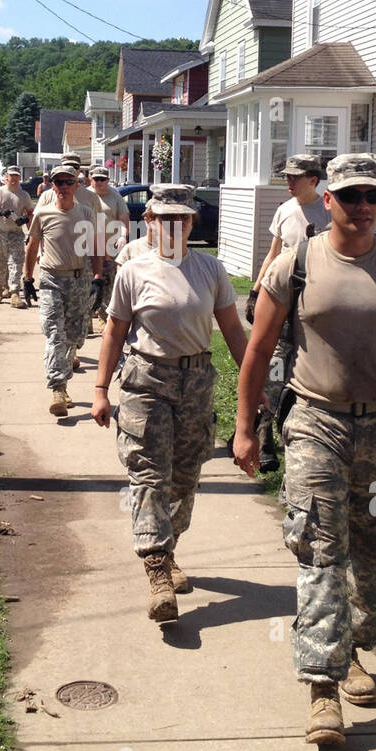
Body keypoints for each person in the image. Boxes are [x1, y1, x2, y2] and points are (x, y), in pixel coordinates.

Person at [233, 154, 376, 746]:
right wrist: (246, 425)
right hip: (316, 421)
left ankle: (352, 649)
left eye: (372, 196)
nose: (363, 207)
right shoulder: (298, 263)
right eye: (351, 196)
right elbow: (258, 348)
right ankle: (322, 687)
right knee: (322, 547)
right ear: (328, 200)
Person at [92, 185, 248, 623]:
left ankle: (169, 544)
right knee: (148, 473)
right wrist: (101, 389)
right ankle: (157, 568)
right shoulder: (134, 272)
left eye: (182, 219)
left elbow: (234, 332)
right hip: (147, 381)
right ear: (151, 221)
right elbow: (114, 333)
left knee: (185, 476)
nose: (173, 226)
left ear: (192, 223)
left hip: (197, 381)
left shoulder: (211, 270)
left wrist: (255, 388)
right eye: (164, 218)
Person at [246, 155, 330, 471]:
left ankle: (299, 437)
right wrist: (256, 291)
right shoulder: (284, 210)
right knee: (275, 370)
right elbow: (273, 255)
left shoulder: (328, 211)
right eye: (286, 177)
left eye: (295, 177)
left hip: (316, 306)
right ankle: (265, 437)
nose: (289, 183)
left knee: (309, 372)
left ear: (314, 180)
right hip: (283, 304)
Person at [24, 165, 105, 417]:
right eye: (58, 183)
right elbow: (33, 246)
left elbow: (95, 247)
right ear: (52, 186)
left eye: (68, 183)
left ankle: (64, 379)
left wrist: (98, 278)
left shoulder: (86, 213)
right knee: (55, 333)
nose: (63, 188)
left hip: (79, 281)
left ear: (76, 185)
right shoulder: (43, 214)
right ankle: (58, 388)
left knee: (75, 336)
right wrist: (27, 278)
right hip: (51, 280)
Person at [0, 165, 34, 308]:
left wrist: (27, 223)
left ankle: (15, 293)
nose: (14, 179)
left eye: (17, 176)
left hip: (16, 234)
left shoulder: (24, 195)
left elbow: (30, 212)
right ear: (6, 177)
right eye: (12, 176)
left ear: (20, 178)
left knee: (16, 263)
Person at [88, 166, 130, 325]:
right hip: (87, 246)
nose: (98, 182)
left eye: (102, 179)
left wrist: (123, 236)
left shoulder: (115, 196)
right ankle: (87, 321)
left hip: (110, 248)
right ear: (90, 179)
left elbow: (124, 220)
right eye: (95, 179)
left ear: (108, 180)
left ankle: (103, 318)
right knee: (88, 282)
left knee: (108, 282)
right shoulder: (85, 195)